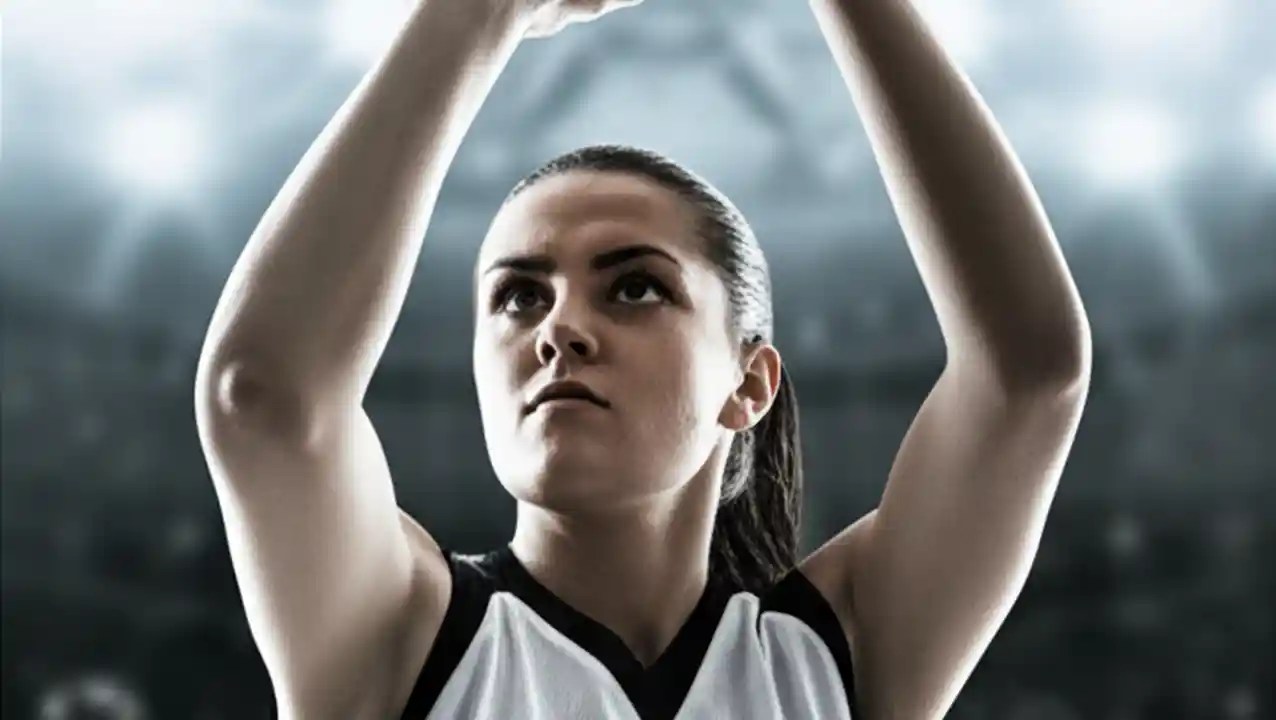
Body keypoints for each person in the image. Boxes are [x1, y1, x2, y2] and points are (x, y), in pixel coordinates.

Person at [193, 0, 1092, 718]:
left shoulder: (839, 657)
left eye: (632, 288)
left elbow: (1030, 374)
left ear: (748, 384)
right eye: (518, 296)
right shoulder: (401, 636)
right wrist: (472, 15)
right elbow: (266, 398)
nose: (558, 329)